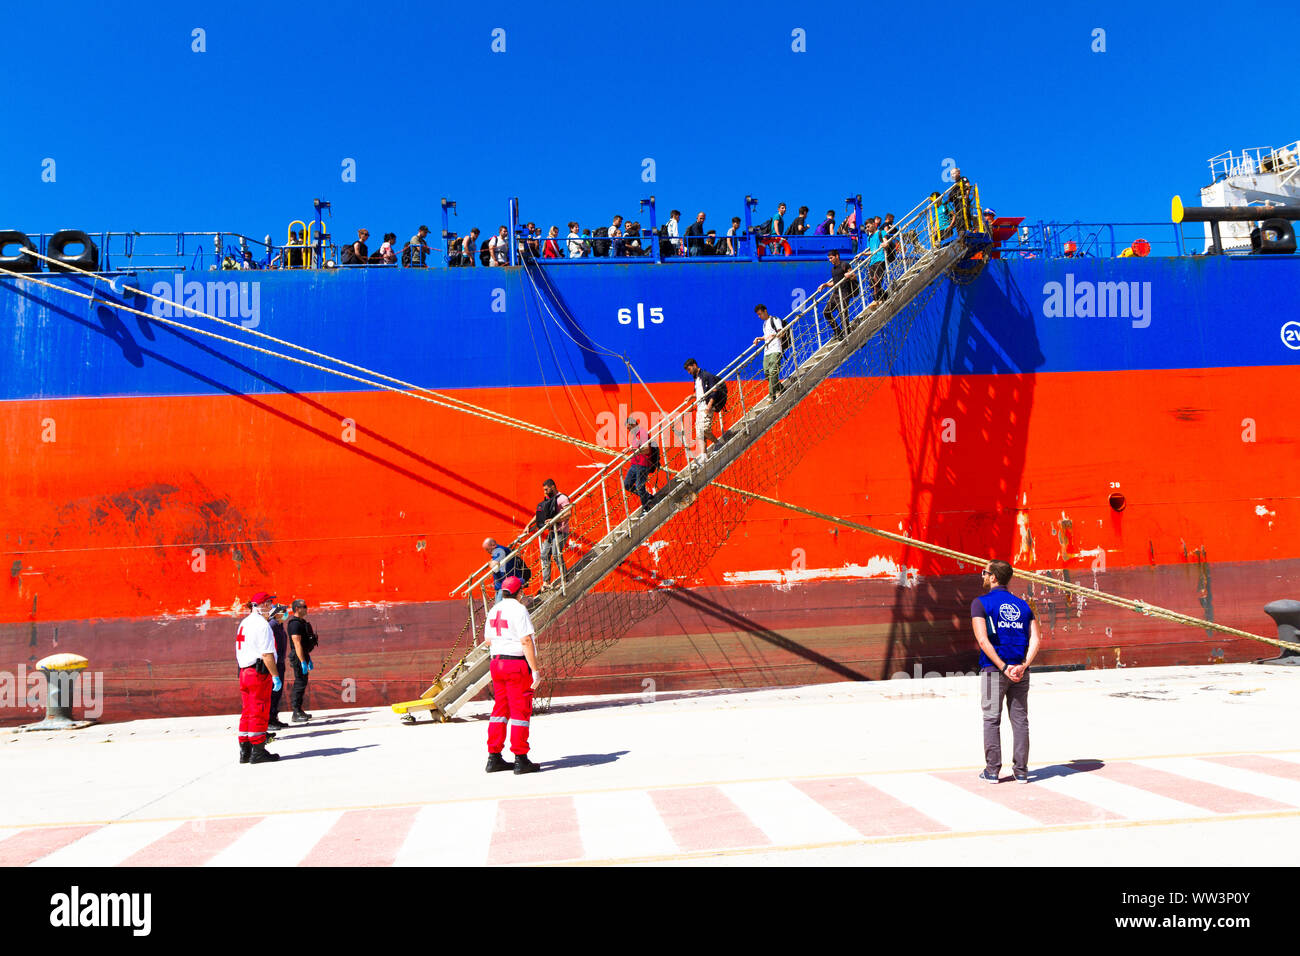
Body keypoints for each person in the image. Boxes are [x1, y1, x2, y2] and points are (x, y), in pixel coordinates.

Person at [971, 559, 1041, 784]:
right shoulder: (1023, 605)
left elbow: (983, 640)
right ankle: (1021, 771)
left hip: (994, 671)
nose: (982, 576)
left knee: (991, 719)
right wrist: (1023, 665)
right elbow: (1036, 639)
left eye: (985, 573)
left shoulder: (980, 603)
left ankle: (992, 771)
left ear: (993, 577)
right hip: (1021, 671)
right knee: (1020, 720)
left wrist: (1002, 667)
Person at [483, 575, 542, 774]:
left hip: (496, 663)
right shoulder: (519, 609)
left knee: (500, 709)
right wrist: (535, 670)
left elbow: (488, 641)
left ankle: (494, 757)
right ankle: (520, 759)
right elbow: (526, 641)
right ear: (520, 592)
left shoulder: (494, 610)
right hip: (515, 664)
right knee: (520, 712)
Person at [236, 591, 280, 764]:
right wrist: (275, 675)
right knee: (259, 710)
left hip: (244, 671)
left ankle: (245, 751)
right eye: (269, 603)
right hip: (258, 673)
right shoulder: (262, 625)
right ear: (261, 605)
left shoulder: (244, 623)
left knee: (247, 711)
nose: (271, 606)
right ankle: (258, 751)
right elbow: (267, 654)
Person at [526, 479, 570, 587]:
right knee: (544, 554)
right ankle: (546, 582)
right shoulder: (548, 500)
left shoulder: (562, 498)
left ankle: (565, 578)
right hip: (552, 533)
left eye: (546, 489)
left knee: (556, 554)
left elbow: (568, 513)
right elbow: (539, 515)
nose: (545, 492)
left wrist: (554, 520)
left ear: (553, 487)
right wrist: (528, 525)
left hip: (561, 531)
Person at [683, 358, 725, 460]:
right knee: (699, 433)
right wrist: (691, 396)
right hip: (699, 407)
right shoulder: (696, 378)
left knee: (704, 429)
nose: (689, 372)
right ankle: (703, 455)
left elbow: (714, 390)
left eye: (689, 369)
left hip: (706, 407)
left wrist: (709, 406)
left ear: (694, 365)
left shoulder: (706, 375)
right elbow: (701, 393)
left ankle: (718, 443)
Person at [285, 598, 318, 723]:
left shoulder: (301, 622)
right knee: (299, 683)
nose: (306, 608)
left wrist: (308, 659)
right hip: (298, 656)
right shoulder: (294, 624)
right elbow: (297, 644)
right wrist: (303, 661)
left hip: (303, 655)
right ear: (297, 609)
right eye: (304, 606)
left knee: (303, 682)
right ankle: (296, 712)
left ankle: (299, 710)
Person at [817, 249, 857, 341]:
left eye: (831, 258)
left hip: (845, 292)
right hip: (836, 293)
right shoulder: (833, 270)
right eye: (829, 258)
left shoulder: (844, 265)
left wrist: (849, 275)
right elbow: (834, 283)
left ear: (837, 256)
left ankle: (846, 332)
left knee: (842, 312)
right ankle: (837, 331)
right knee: (826, 312)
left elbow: (854, 276)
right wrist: (825, 285)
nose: (830, 260)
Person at [752, 304, 786, 401]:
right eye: (758, 315)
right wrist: (759, 338)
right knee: (767, 374)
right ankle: (780, 388)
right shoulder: (765, 324)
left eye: (760, 314)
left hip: (775, 350)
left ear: (765, 311)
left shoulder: (774, 320)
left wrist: (776, 335)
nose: (759, 316)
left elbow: (781, 332)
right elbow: (767, 336)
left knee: (773, 373)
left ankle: (772, 397)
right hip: (767, 352)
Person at [484, 537, 529, 604]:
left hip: (506, 585)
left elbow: (494, 565)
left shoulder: (499, 550)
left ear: (493, 545)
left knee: (499, 606)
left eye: (487, 549)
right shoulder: (501, 550)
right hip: (506, 584)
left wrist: (490, 563)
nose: (487, 552)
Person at [624, 416, 654, 513]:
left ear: (633, 425)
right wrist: (630, 449)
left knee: (639, 486)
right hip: (635, 464)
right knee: (627, 484)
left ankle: (646, 508)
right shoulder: (635, 434)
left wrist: (632, 449)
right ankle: (647, 496)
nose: (629, 430)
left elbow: (646, 450)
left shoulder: (642, 433)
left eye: (629, 428)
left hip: (643, 464)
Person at [267, 604, 289, 731]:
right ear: (276, 613)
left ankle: (274, 718)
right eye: (283, 611)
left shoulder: (279, 626)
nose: (285, 613)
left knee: (277, 693)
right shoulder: (272, 625)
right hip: (274, 664)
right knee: (272, 693)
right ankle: (269, 720)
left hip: (280, 662)